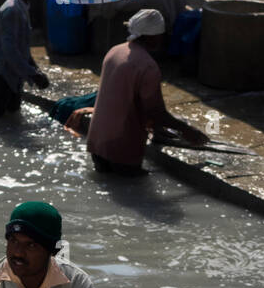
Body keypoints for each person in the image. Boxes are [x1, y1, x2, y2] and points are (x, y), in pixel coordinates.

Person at [86, 9, 208, 175]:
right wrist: (187, 130)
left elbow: (127, 98)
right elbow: (156, 112)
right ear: (152, 36)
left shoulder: (115, 51)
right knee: (136, 192)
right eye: (161, 34)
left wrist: (157, 126)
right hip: (122, 149)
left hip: (98, 144)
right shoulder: (147, 66)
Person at [0, 0, 50, 116]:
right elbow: (10, 51)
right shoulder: (12, 10)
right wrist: (33, 74)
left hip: (12, 74)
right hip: (0, 73)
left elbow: (22, 48)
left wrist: (35, 70)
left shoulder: (21, 7)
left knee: (10, 120)